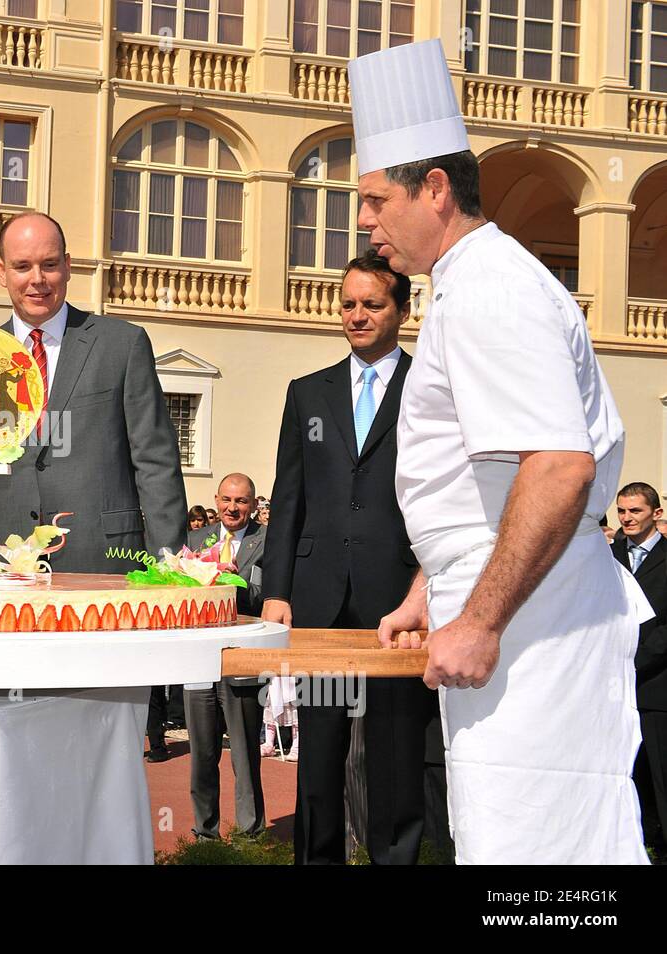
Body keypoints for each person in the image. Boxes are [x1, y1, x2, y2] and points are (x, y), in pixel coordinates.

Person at [352, 40, 649, 863]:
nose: (365, 221)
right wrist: (429, 586)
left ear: (435, 189)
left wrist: (478, 619)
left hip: (529, 621)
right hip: (514, 604)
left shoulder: (489, 291)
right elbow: (480, 483)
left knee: (538, 854)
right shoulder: (476, 285)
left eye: (376, 199)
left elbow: (557, 467)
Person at [263, 249, 438, 865]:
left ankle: (395, 859)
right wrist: (276, 592)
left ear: (402, 309)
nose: (357, 315)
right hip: (319, 603)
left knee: (394, 752)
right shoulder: (308, 394)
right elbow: (288, 499)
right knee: (319, 754)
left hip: (398, 601)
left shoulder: (432, 389)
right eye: (348, 304)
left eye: (372, 304)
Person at [0, 212, 186, 572]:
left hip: (105, 560)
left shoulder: (122, 345)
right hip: (3, 564)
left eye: (49, 264)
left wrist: (169, 565)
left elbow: (155, 461)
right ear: (1, 272)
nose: (37, 279)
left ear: (68, 265)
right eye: (22, 266)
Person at [182, 473, 267, 839]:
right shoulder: (195, 541)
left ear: (252, 504)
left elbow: (266, 598)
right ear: (217, 500)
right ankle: (205, 834)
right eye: (227, 500)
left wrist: (232, 582)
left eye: (242, 501)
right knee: (201, 755)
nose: (233, 508)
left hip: (243, 661)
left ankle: (250, 834)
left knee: (244, 755)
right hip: (200, 661)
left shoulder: (268, 541)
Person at [612, 482, 667, 859]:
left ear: (656, 514)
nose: (627, 518)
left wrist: (633, 662)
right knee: (624, 771)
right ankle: (634, 843)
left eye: (636, 511)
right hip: (612, 686)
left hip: (656, 683)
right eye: (622, 511)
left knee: (661, 773)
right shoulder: (606, 554)